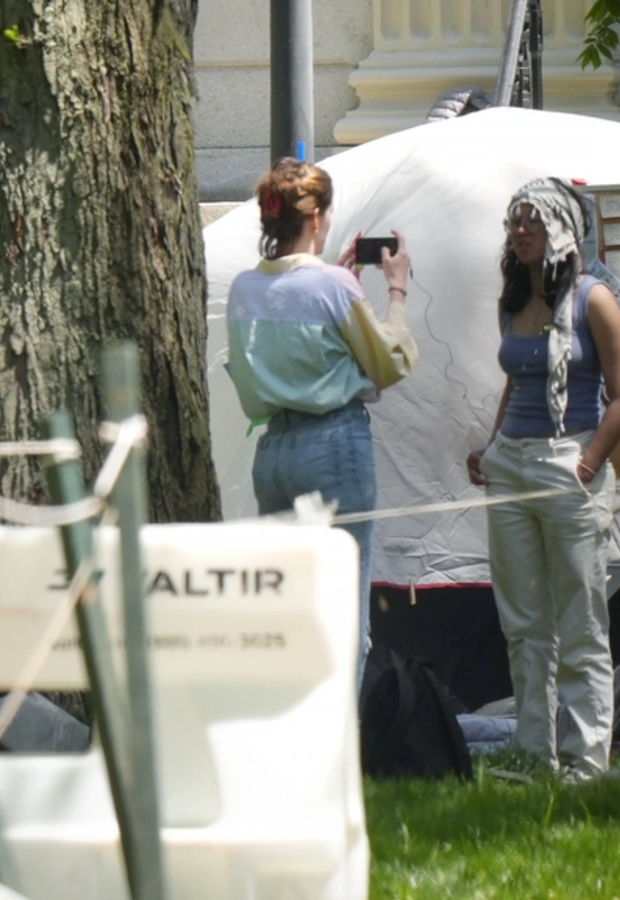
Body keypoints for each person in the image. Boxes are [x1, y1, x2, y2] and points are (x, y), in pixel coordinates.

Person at [225, 158, 418, 685]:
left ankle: (288, 735)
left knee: (286, 607)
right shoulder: (334, 286)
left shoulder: (244, 289)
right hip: (334, 445)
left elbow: (282, 349)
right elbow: (388, 362)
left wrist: (340, 278)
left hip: (274, 452)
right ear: (316, 219)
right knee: (342, 606)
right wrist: (395, 291)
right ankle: (340, 748)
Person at [466, 177, 620, 781]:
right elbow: (516, 383)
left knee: (581, 622)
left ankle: (586, 766)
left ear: (564, 227)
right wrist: (493, 445)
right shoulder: (512, 299)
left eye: (533, 220)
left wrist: (587, 466)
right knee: (523, 624)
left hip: (572, 460)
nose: (521, 231)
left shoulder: (594, 301)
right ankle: (536, 756)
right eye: (515, 221)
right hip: (512, 463)